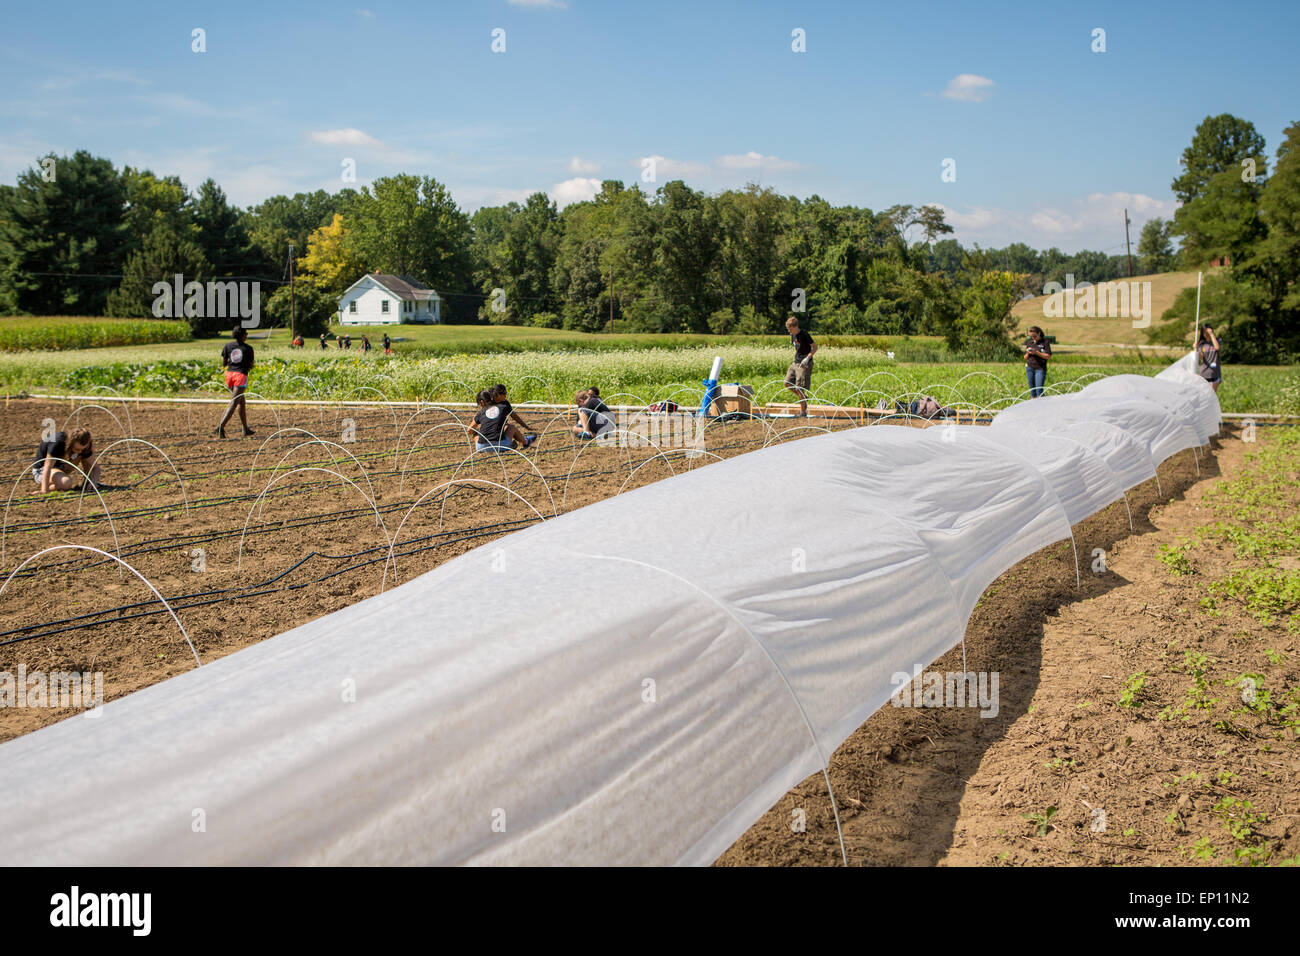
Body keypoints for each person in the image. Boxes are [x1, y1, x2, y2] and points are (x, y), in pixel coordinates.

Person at [216, 326, 255, 438]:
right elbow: (251, 365)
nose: (246, 335)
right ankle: (220, 427)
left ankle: (245, 429)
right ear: (243, 335)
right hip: (240, 376)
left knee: (241, 402)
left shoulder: (228, 346)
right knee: (234, 402)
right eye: (246, 334)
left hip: (229, 376)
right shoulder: (248, 348)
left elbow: (224, 363)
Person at [32, 427, 100, 492]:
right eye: (77, 449)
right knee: (66, 482)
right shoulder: (58, 442)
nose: (79, 452)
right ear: (71, 443)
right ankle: (53, 486)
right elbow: (47, 466)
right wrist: (44, 490)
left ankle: (87, 483)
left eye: (82, 449)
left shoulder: (86, 447)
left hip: (61, 467)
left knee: (86, 455)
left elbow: (96, 467)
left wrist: (93, 482)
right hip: (42, 471)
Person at [470, 388, 536, 452]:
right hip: (501, 445)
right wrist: (525, 426)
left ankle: (485, 444)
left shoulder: (480, 412)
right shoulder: (503, 407)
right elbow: (512, 416)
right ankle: (525, 442)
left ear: (482, 402)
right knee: (511, 428)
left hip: (481, 447)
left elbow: (469, 430)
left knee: (476, 434)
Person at [784, 316, 817, 416]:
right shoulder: (793, 335)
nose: (789, 331)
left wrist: (807, 358)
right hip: (796, 362)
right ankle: (803, 398)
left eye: (790, 329)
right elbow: (798, 348)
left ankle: (803, 412)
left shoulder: (804, 334)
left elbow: (815, 347)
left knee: (800, 388)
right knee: (787, 383)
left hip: (805, 363)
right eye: (788, 329)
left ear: (795, 326)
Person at [1024, 325, 1052, 398]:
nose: (1033, 338)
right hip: (1030, 368)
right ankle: (1034, 407)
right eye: (1031, 337)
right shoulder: (1029, 343)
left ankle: (1043, 405)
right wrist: (1028, 352)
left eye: (1034, 336)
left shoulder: (1045, 342)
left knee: (1039, 390)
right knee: (1032, 391)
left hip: (1040, 369)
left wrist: (1036, 353)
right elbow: (1025, 357)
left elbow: (1048, 356)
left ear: (1039, 333)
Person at [1197, 325, 1222, 392]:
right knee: (1204, 396)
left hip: (1215, 373)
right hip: (1204, 373)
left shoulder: (1217, 341)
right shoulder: (1201, 344)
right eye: (1204, 332)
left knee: (1212, 396)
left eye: (1207, 332)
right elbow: (1201, 357)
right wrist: (1196, 349)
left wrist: (1211, 334)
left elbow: (1217, 348)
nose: (1206, 334)